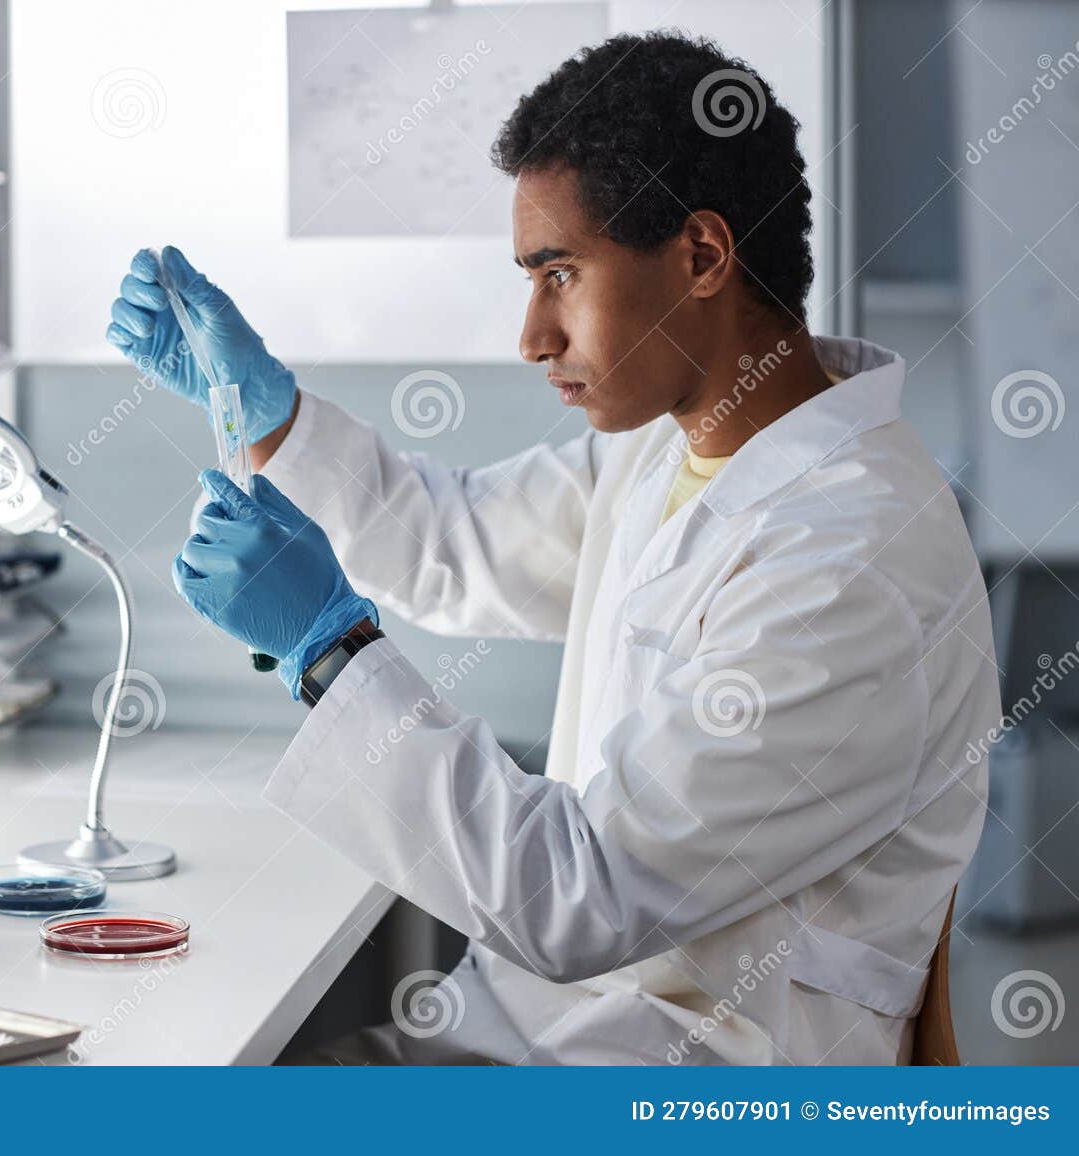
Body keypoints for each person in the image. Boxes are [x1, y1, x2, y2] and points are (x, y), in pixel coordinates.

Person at [105, 31, 997, 1065]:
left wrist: (331, 651)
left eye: (560, 274)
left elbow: (583, 898)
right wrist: (268, 414)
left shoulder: (849, 561)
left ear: (703, 256)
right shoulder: (677, 446)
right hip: (553, 1025)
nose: (532, 336)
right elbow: (453, 543)